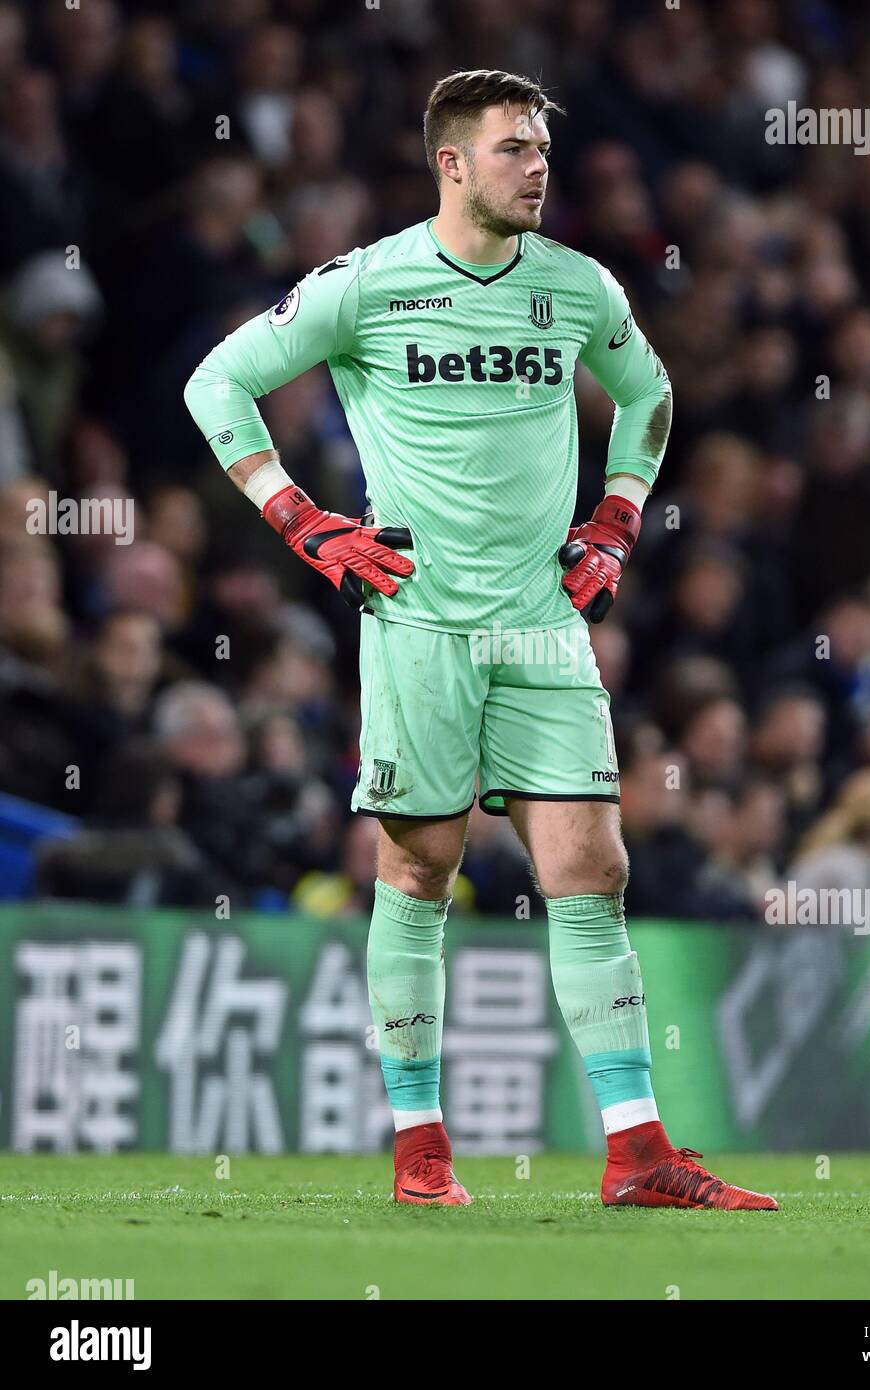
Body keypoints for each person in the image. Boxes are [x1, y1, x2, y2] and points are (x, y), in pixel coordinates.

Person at [185, 69, 775, 1213]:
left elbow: (647, 393)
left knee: (593, 868)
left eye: (543, 147)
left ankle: (637, 1152)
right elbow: (222, 382)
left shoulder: (577, 286)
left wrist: (618, 512)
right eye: (514, 148)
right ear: (451, 163)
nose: (539, 166)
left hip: (546, 625)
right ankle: (420, 1150)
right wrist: (301, 520)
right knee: (418, 870)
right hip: (419, 624)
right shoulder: (369, 283)